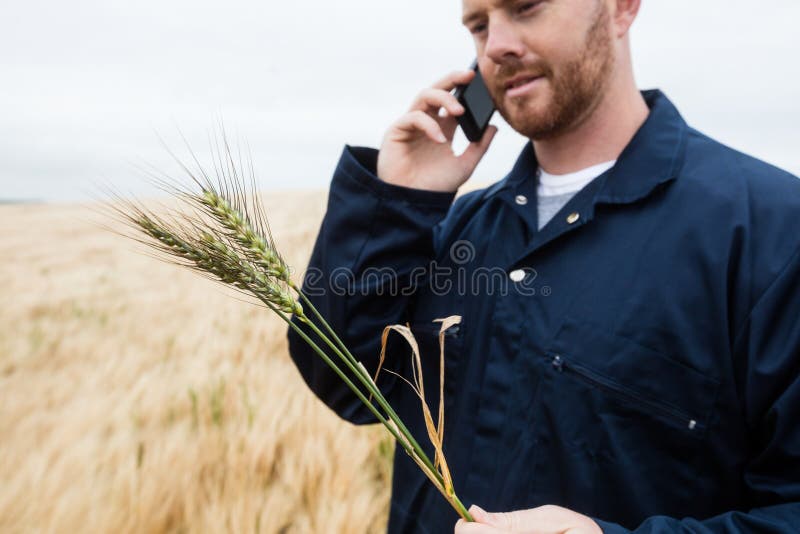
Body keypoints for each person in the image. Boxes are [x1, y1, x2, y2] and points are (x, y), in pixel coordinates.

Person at [287, 0, 800, 532]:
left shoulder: (773, 234)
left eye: (526, 7)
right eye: (479, 25)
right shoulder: (454, 228)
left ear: (621, 9)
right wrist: (397, 202)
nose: (496, 45)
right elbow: (344, 384)